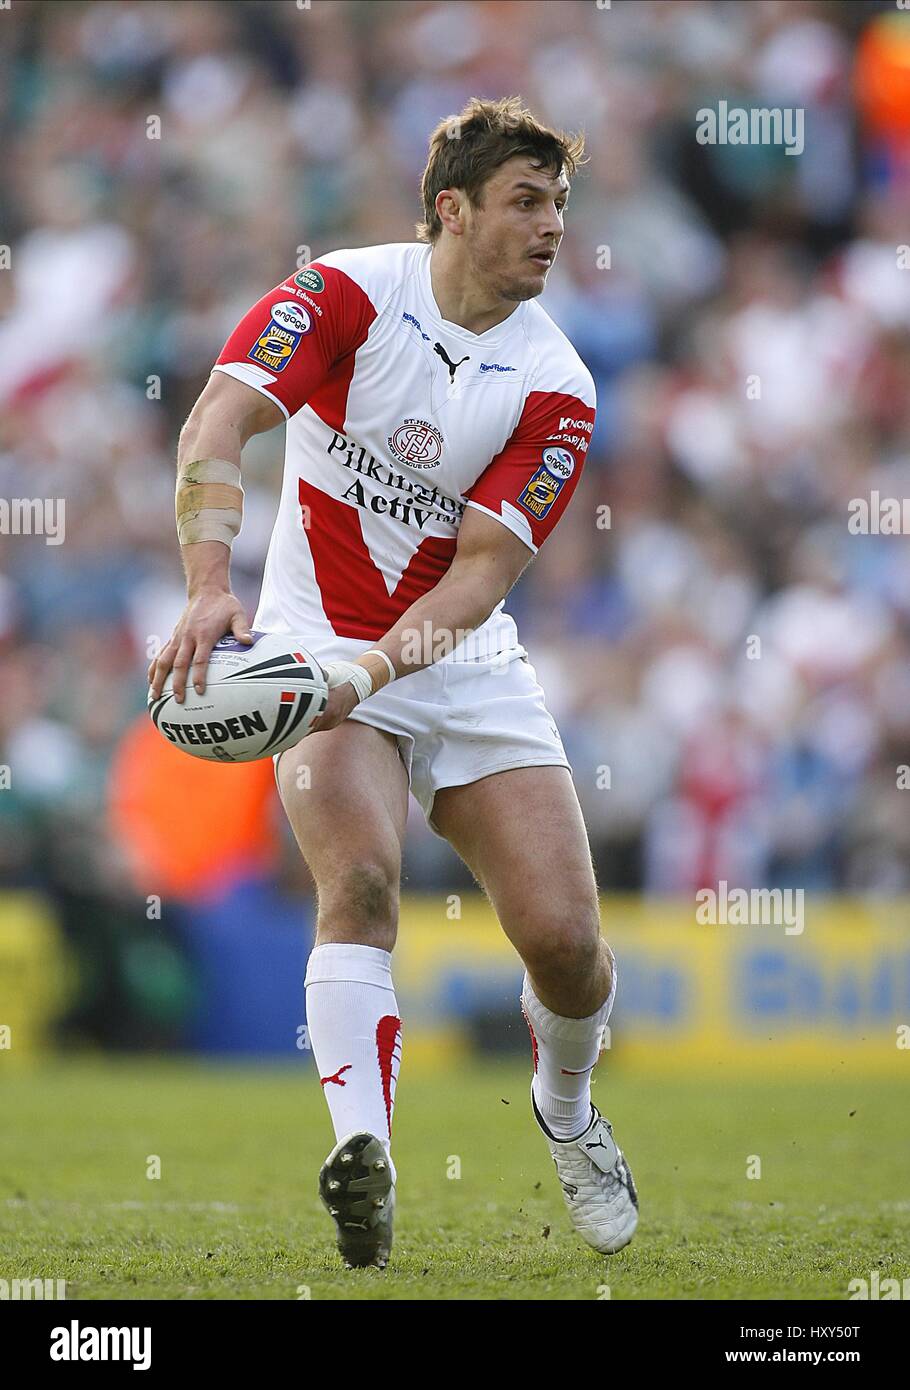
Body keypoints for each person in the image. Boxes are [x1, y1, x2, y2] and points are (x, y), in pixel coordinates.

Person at [149, 96, 637, 1269]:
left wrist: (367, 675)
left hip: (458, 665)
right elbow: (220, 419)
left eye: (560, 204)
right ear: (450, 209)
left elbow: (478, 579)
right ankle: (363, 1153)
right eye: (526, 201)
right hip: (310, 638)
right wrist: (211, 582)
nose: (551, 226)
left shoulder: (554, 383)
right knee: (358, 879)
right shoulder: (343, 296)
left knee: (566, 945)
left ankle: (566, 1108)